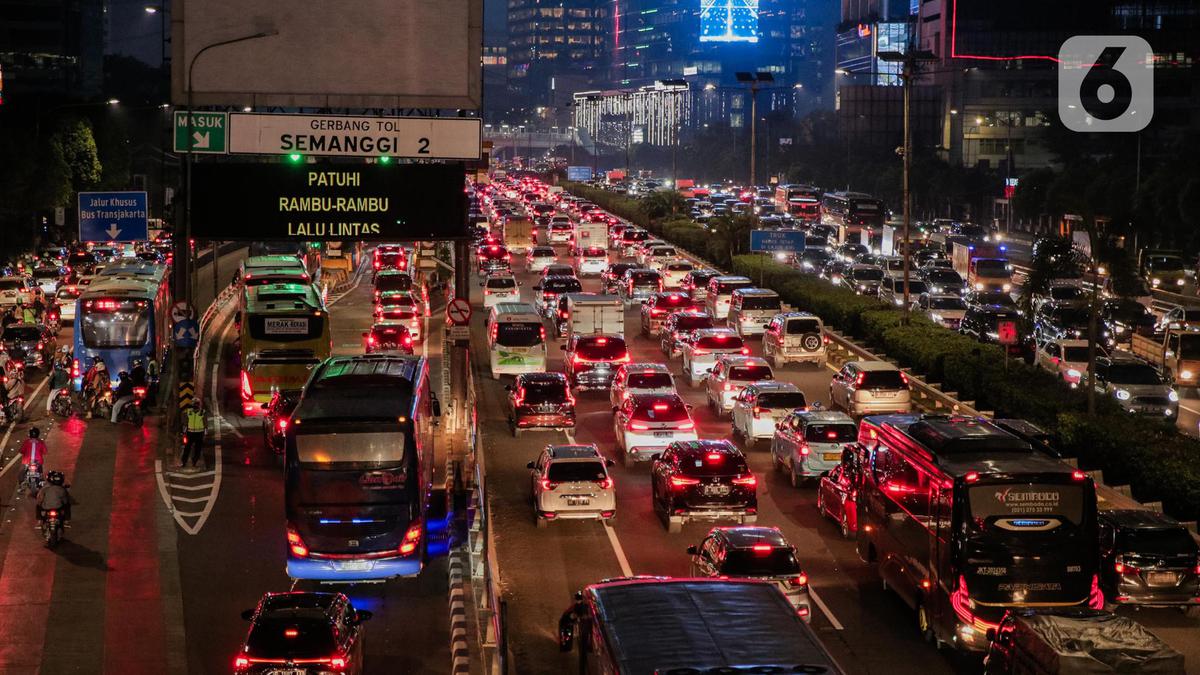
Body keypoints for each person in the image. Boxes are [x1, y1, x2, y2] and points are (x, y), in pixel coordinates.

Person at [182, 400, 206, 469]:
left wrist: (205, 434)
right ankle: (184, 462)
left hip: (199, 433)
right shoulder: (188, 412)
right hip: (190, 433)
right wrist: (184, 433)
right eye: (194, 405)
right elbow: (185, 423)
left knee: (197, 449)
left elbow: (205, 424)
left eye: (197, 405)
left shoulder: (202, 412)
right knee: (187, 448)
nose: (196, 407)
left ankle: (194, 461)